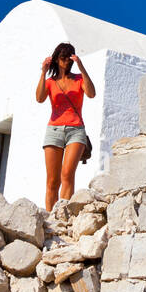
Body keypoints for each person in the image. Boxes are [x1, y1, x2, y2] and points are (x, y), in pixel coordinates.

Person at [35, 41, 96, 211]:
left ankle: (63, 216)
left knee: (67, 174)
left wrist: (82, 68)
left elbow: (91, 93)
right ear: (56, 59)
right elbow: (39, 98)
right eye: (63, 58)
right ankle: (49, 218)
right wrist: (43, 73)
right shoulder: (50, 82)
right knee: (52, 181)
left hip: (76, 130)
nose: (66, 61)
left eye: (69, 58)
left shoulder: (78, 79)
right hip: (54, 130)